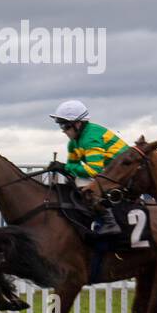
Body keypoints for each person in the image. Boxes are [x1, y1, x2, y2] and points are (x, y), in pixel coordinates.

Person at [46, 100, 126, 235]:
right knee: (74, 182)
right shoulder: (73, 143)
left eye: (66, 126)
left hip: (124, 174)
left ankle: (110, 221)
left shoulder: (90, 139)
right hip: (109, 173)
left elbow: (94, 171)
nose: (63, 131)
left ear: (78, 124)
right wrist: (65, 168)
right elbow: (73, 168)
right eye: (61, 126)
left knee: (84, 184)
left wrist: (65, 167)